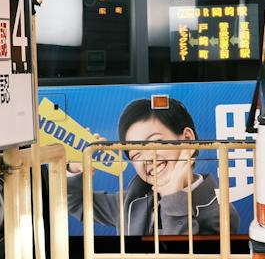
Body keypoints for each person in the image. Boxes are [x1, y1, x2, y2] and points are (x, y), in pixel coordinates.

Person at [67, 96, 227, 235]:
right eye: (136, 154)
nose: (148, 158)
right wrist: (75, 167)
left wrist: (174, 195)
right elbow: (73, 201)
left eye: (157, 142)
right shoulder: (130, 201)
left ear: (187, 139)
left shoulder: (219, 211)